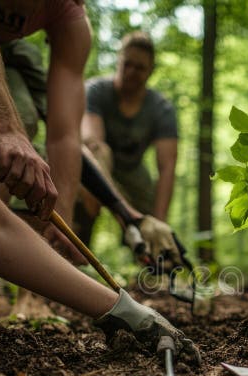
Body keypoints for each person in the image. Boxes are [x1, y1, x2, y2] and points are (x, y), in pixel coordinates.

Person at [0, 0, 196, 357]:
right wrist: (6, 127)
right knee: (16, 118)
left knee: (21, 128)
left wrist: (122, 302)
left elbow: (63, 140)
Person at [77, 31, 179, 244]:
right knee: (86, 176)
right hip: (97, 163)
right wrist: (124, 213)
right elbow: (92, 145)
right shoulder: (95, 91)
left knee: (152, 215)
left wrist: (158, 223)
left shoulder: (162, 109)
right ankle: (75, 249)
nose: (132, 71)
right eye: (127, 64)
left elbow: (167, 168)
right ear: (118, 61)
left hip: (133, 171)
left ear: (151, 71)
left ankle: (154, 259)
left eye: (140, 67)